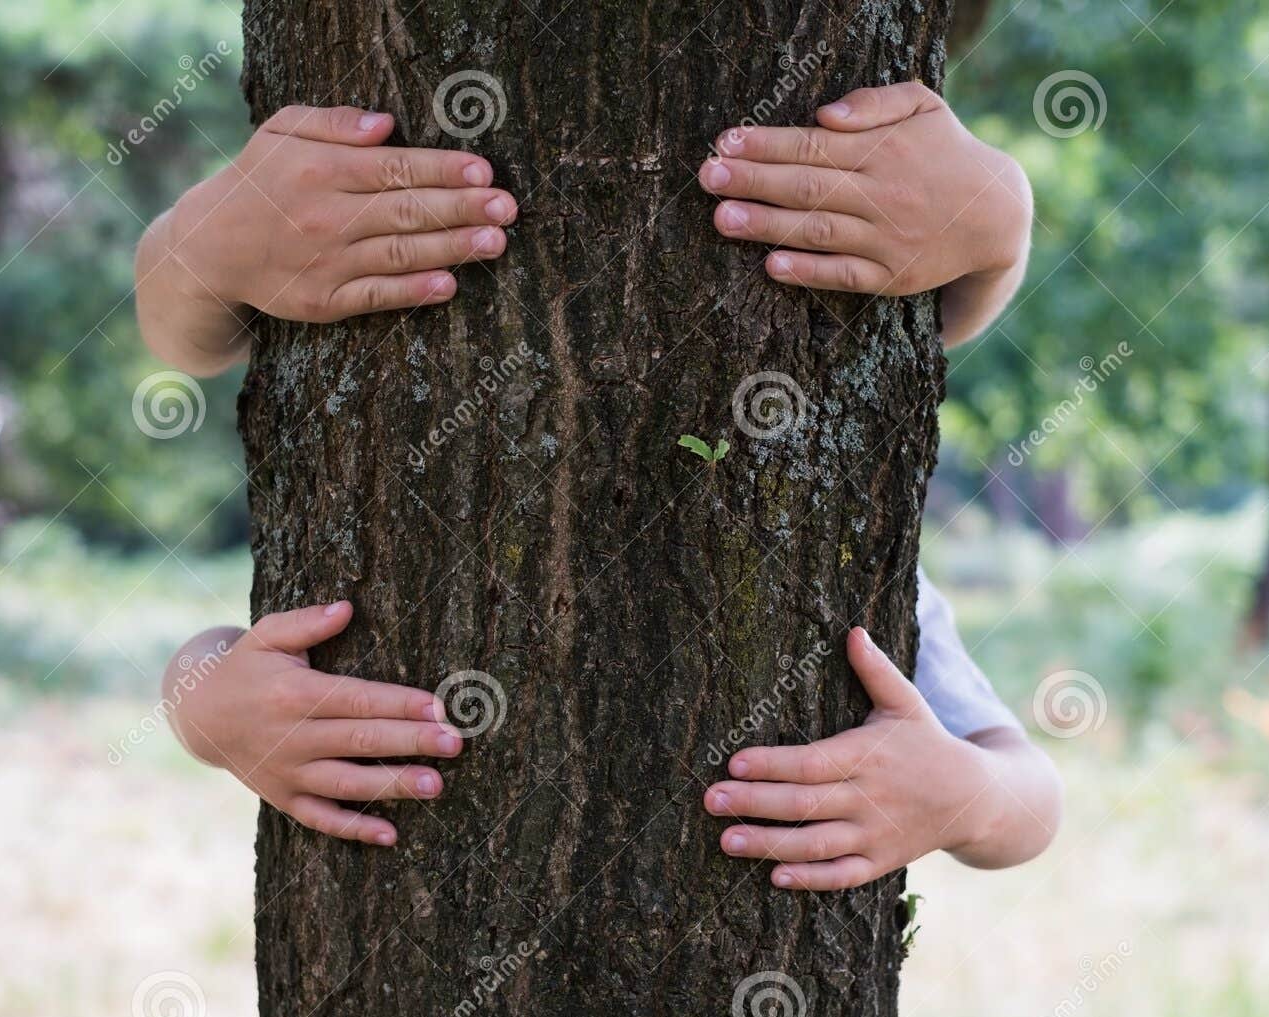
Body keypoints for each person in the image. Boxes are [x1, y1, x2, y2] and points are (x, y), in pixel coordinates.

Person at [136, 82, 1062, 891]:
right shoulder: (371, 484)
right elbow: (226, 656)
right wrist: (211, 712)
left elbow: (1029, 791)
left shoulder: (844, 563)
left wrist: (962, 800)